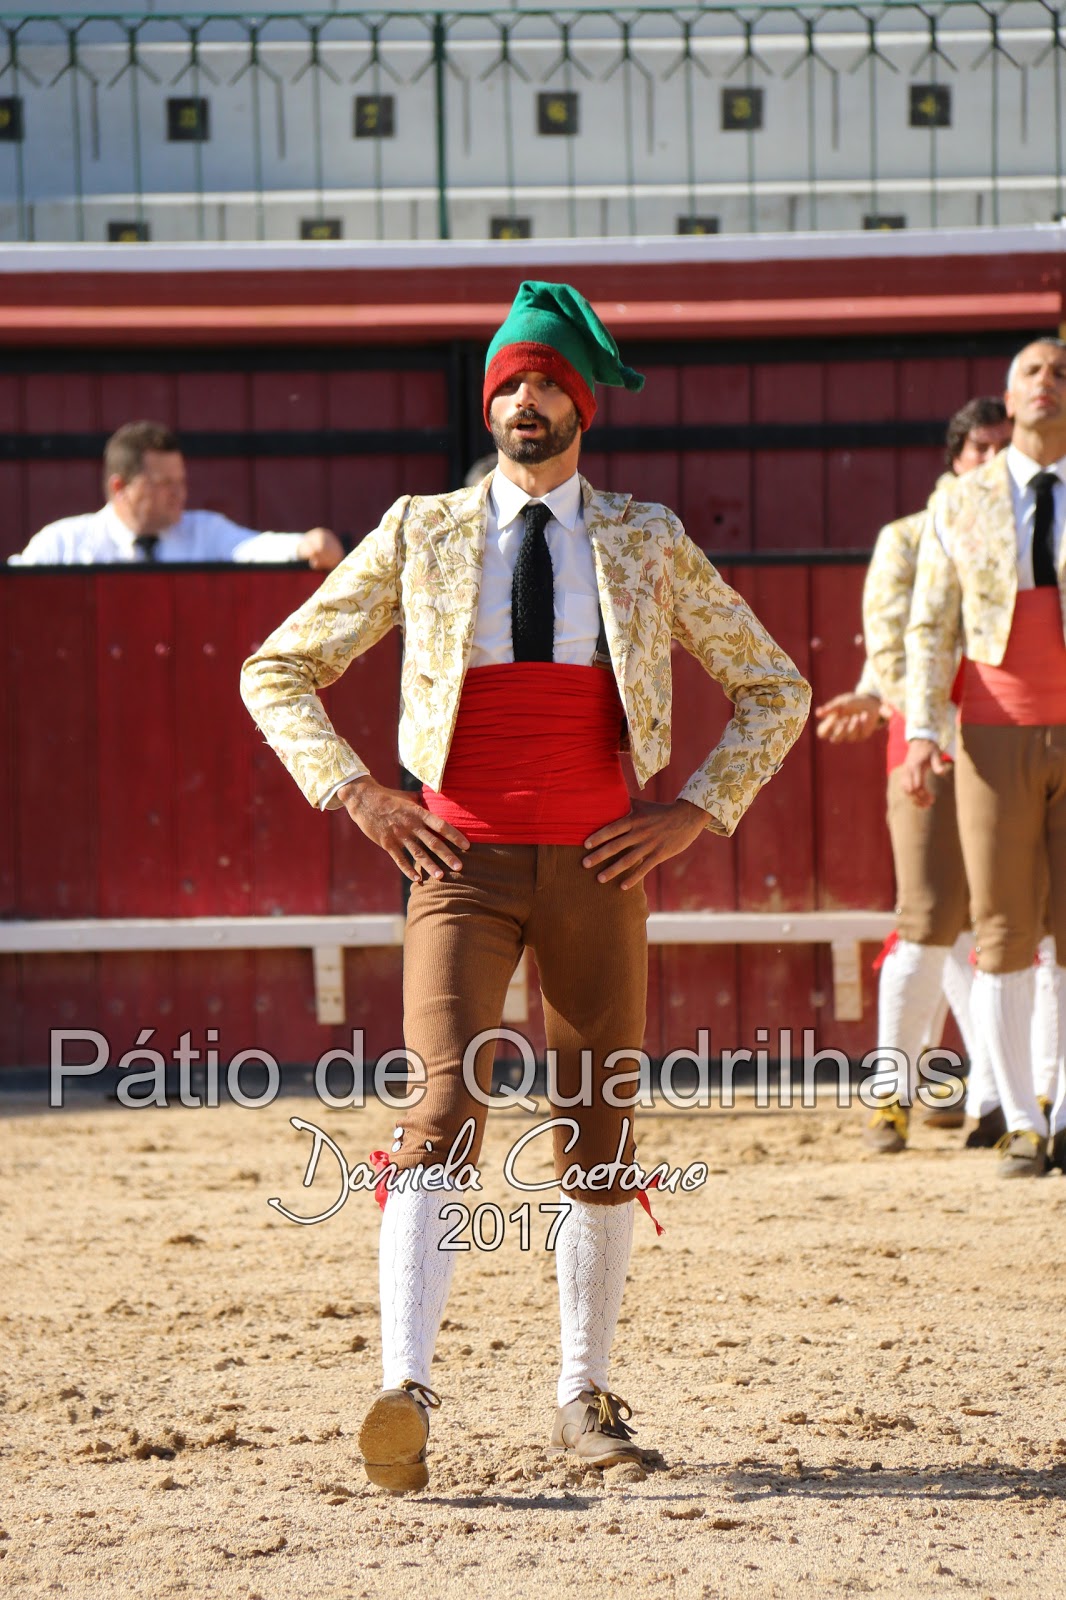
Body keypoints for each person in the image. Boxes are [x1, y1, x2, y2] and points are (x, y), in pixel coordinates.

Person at [240, 280, 811, 1491]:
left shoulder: (645, 535)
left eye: (547, 383)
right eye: (509, 385)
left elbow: (776, 684)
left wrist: (696, 809)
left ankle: (581, 1397)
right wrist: (358, 791)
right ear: (490, 405)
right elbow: (276, 667)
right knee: (441, 1102)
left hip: (603, 857)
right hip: (459, 855)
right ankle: (403, 1388)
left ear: (580, 408)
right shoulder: (423, 529)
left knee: (597, 1124)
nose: (526, 402)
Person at [815, 398, 1013, 1152]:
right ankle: (897, 1093)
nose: (993, 462)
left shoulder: (1029, 534)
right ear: (954, 459)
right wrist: (905, 713)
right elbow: (898, 646)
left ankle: (986, 1091)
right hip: (932, 738)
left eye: (1004, 449)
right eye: (980, 449)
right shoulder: (908, 537)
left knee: (1001, 924)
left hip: (1015, 740)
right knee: (932, 916)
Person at [904, 338, 1066, 1177]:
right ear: (1009, 396)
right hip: (993, 732)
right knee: (1001, 930)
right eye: (1033, 371)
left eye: (1061, 372)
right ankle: (1023, 1117)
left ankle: (1064, 1107)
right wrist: (922, 731)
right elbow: (930, 623)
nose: (1047, 383)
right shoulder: (960, 500)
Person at [9, 420, 345, 569]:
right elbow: (14, 590)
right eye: (164, 483)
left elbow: (252, 547)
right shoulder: (63, 543)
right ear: (119, 488)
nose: (179, 494)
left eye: (181, 481)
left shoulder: (203, 532)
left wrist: (305, 543)